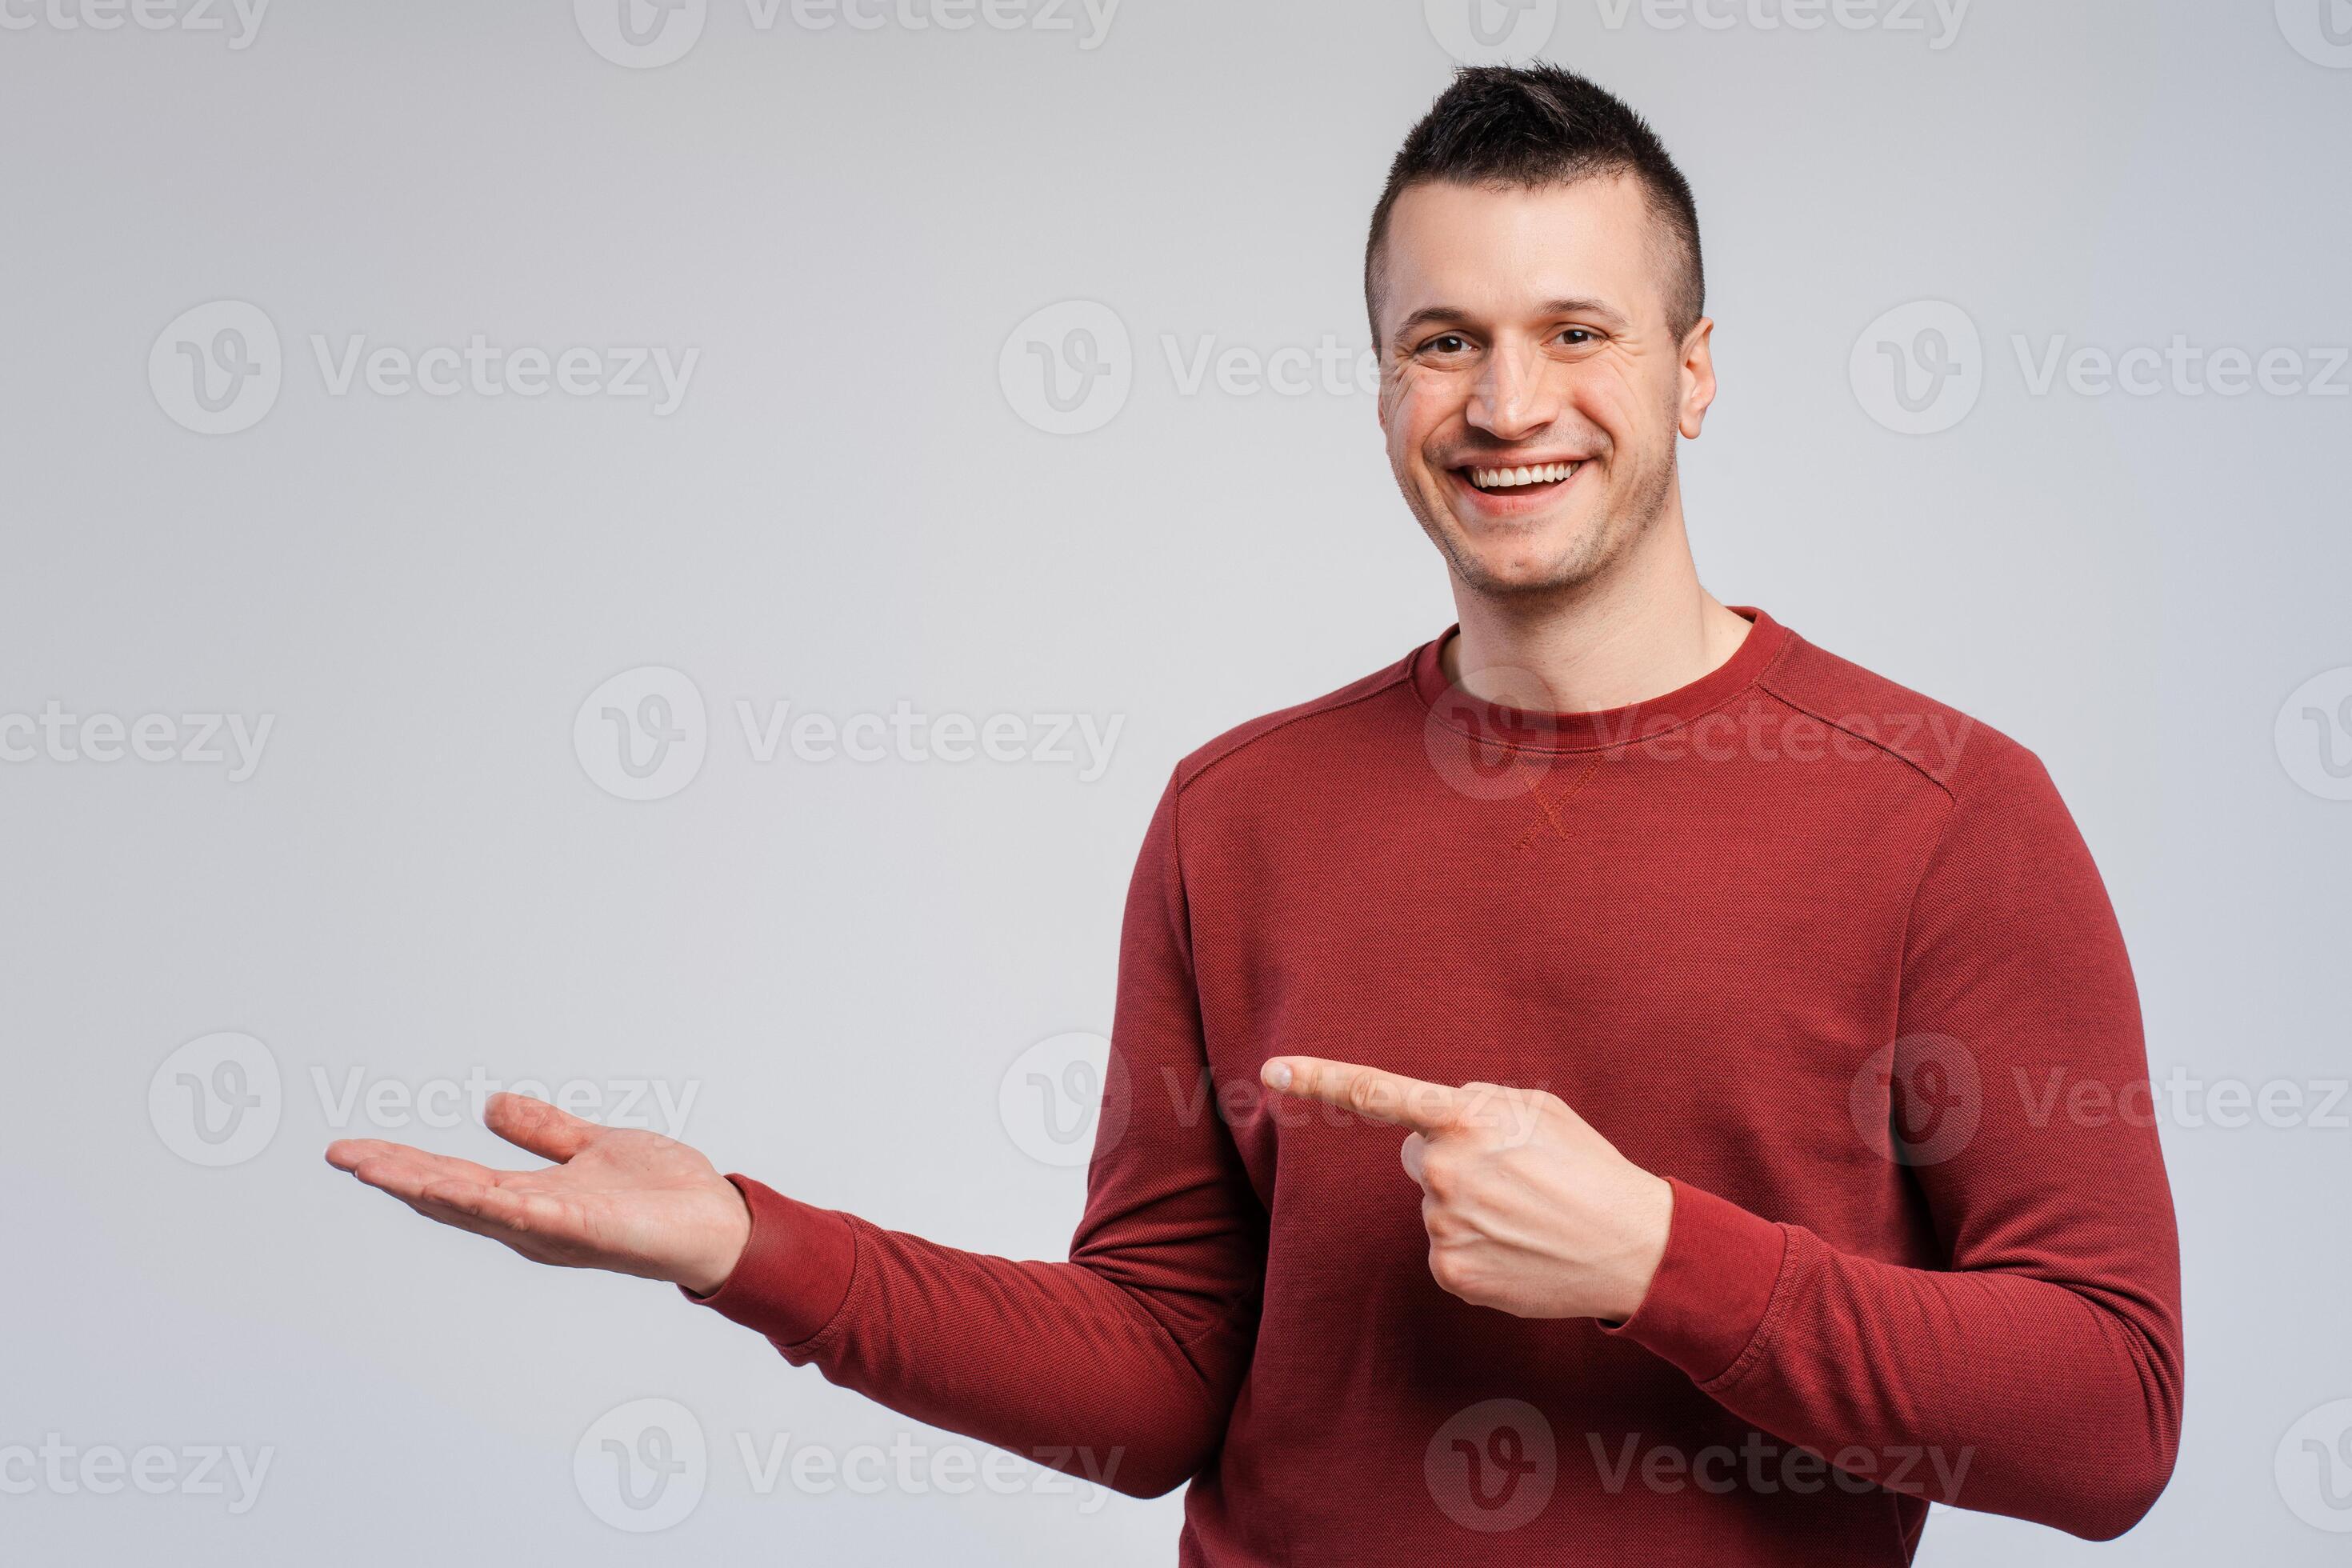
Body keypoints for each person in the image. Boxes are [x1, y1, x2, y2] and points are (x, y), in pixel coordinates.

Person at [326, 62, 2183, 1563]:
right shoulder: (1243, 812)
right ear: (1383, 385)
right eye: (1444, 338)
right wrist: (750, 1239)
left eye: (1579, 332)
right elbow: (1162, 1378)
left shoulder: (1948, 812)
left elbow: (2110, 1421)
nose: (1508, 401)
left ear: (1694, 371)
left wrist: (1653, 1260)